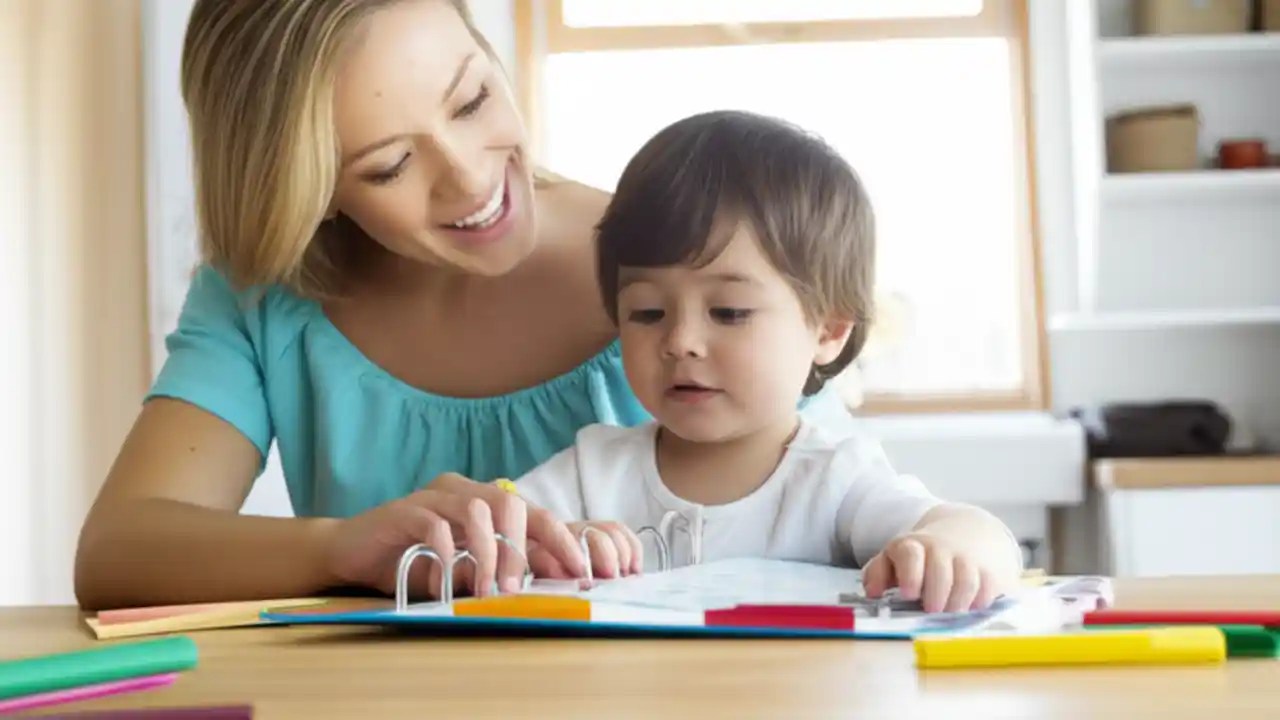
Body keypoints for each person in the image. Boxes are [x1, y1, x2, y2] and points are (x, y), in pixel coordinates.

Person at [73, 0, 853, 610]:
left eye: (473, 98)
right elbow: (117, 552)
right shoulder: (267, 299)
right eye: (390, 166)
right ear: (307, 190)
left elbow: (838, 514)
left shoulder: (681, 282)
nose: (471, 180)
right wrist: (341, 548)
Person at [514, 111, 1023, 613]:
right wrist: (543, 550)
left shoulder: (836, 481)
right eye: (647, 312)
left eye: (729, 312)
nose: (680, 341)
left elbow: (977, 536)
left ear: (828, 330)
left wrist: (950, 548)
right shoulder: (592, 470)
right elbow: (487, 544)